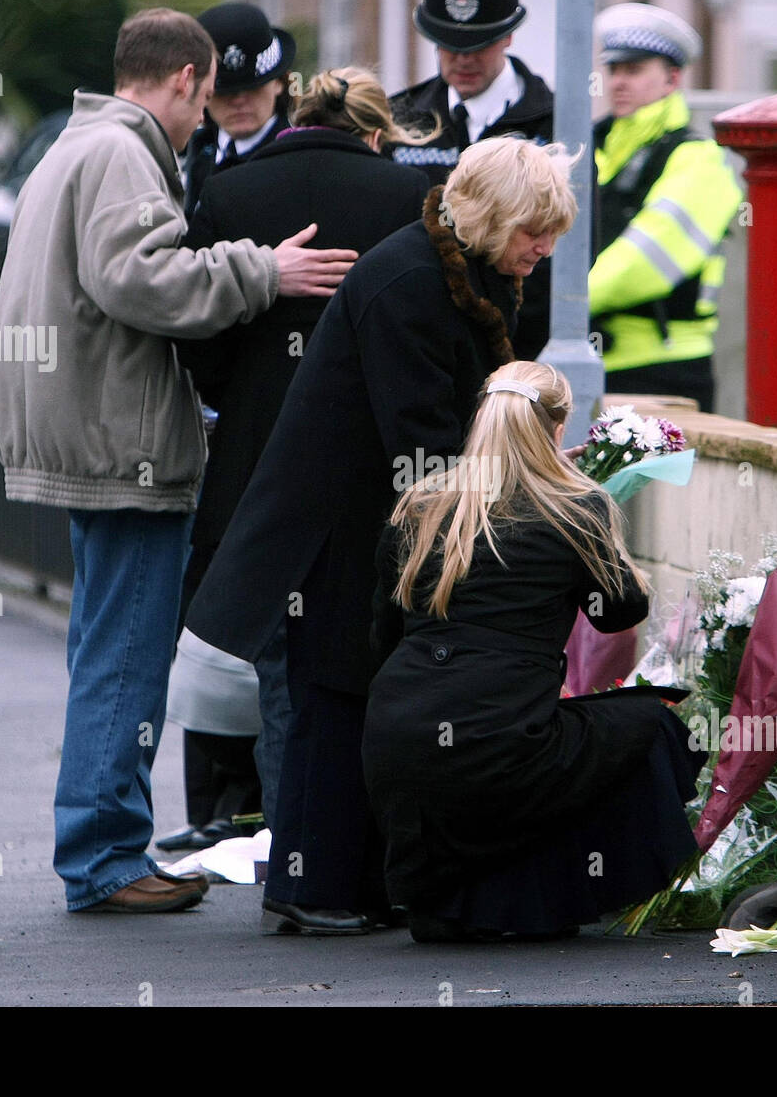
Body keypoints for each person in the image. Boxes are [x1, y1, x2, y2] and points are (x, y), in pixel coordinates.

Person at [0, 8, 357, 914]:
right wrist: (262, 272)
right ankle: (107, 861)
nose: (204, 124)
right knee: (126, 656)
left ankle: (102, 845)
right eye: (207, 98)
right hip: (125, 452)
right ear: (186, 78)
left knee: (105, 647)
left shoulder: (75, 145)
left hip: (88, 435)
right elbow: (140, 280)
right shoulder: (122, 153)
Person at [181, 137, 576, 934]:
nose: (545, 249)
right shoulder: (410, 281)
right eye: (536, 231)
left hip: (359, 517)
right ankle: (310, 887)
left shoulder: (452, 268)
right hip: (334, 528)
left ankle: (346, 882)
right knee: (332, 699)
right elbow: (421, 435)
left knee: (354, 695)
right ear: (491, 218)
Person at [157, 68, 433, 852]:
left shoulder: (233, 191)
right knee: (370, 667)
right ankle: (365, 853)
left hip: (258, 467)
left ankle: (293, 846)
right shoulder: (405, 200)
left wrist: (245, 393)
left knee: (282, 675)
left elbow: (196, 335)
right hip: (377, 474)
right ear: (376, 135)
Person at [363, 361, 704, 941]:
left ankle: (455, 905)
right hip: (505, 739)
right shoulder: (575, 511)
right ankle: (548, 899)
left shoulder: (420, 504)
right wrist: (602, 528)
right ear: (556, 427)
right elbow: (618, 611)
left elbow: (382, 633)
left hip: (398, 734)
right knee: (653, 724)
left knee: (532, 741)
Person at [389, 0, 554, 361]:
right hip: (419, 346)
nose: (462, 59)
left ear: (509, 35)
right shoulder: (399, 121)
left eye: (478, 44)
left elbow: (567, 258)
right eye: (448, 44)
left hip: (521, 353)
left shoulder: (555, 126)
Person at [588, 3, 744, 412]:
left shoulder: (699, 159)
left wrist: (557, 308)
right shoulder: (591, 146)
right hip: (587, 361)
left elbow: (643, 261)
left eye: (634, 70)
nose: (619, 82)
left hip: (663, 368)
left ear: (672, 78)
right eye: (614, 69)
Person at [182, 2, 295, 219]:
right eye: (224, 91)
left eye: (253, 87)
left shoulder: (297, 156)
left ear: (279, 82)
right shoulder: (191, 153)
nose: (239, 101)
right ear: (203, 91)